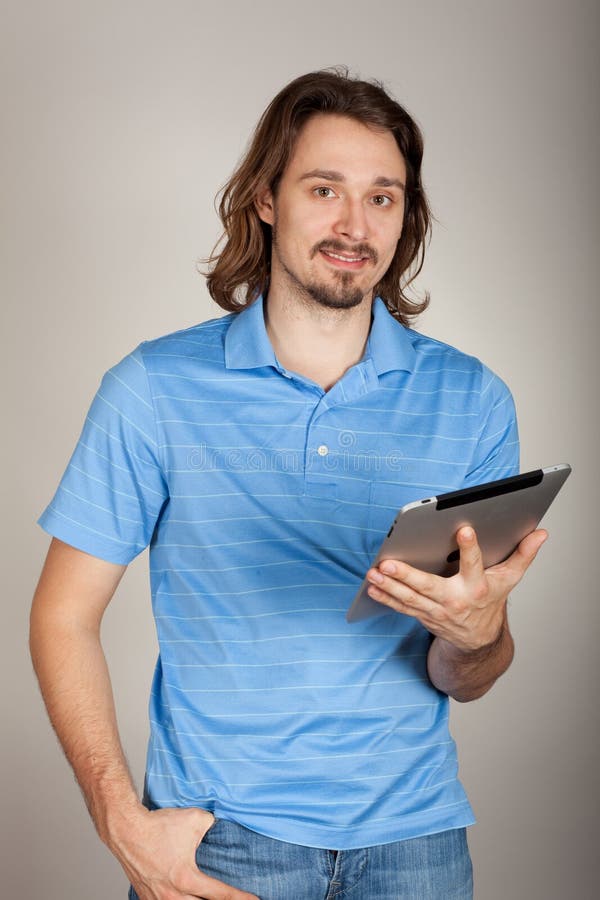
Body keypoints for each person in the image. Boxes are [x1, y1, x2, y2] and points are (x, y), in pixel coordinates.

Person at [30, 68, 547, 900]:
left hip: (418, 849)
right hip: (222, 844)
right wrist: (120, 821)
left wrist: (479, 634)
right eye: (325, 189)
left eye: (383, 197)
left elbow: (465, 673)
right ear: (267, 198)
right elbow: (62, 613)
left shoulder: (472, 398)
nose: (354, 224)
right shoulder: (155, 388)